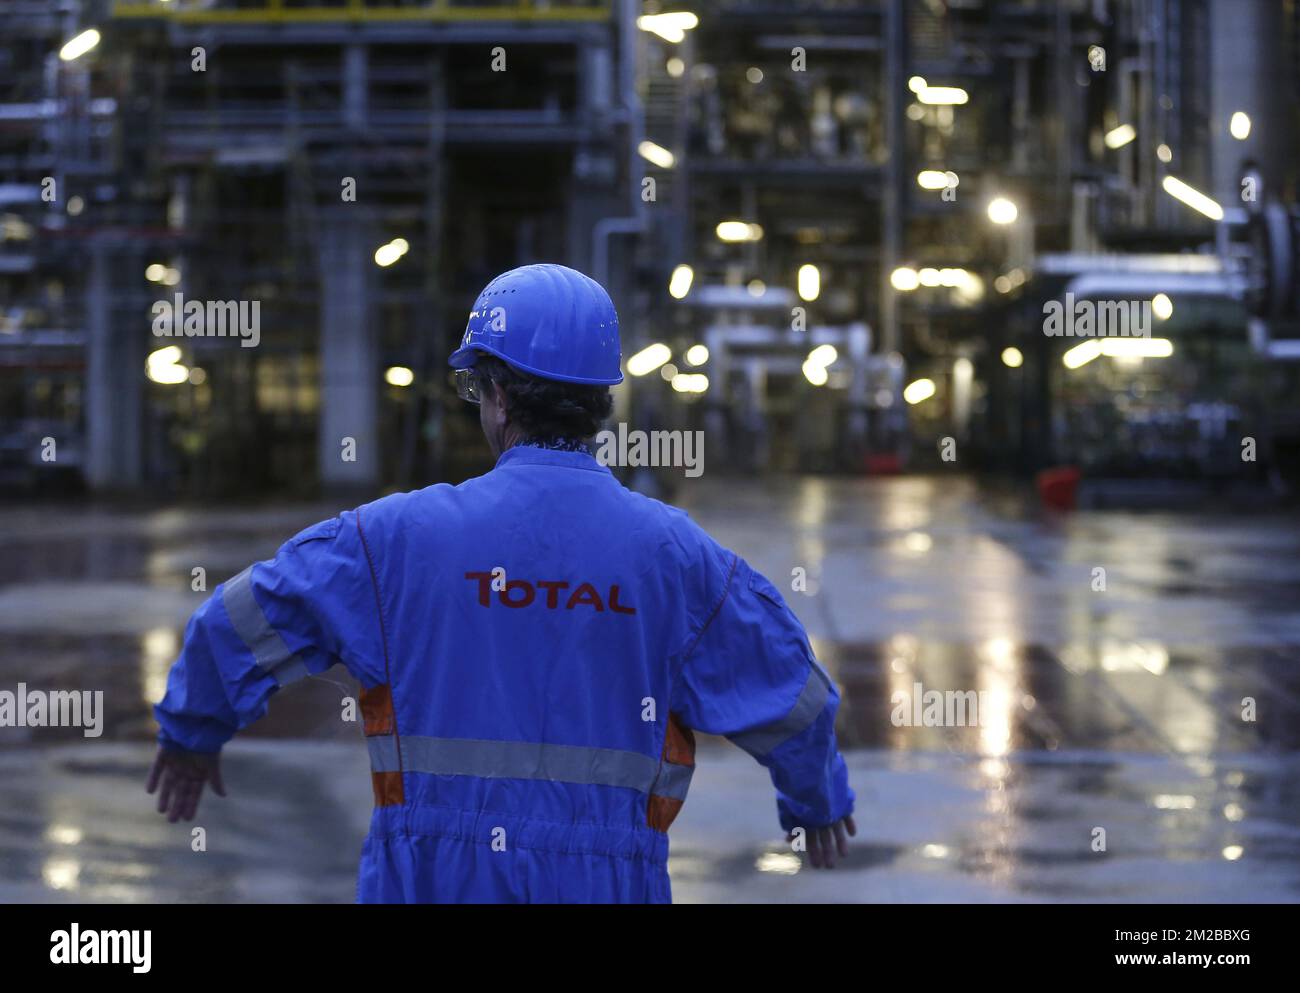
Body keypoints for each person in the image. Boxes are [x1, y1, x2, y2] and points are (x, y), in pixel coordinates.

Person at [146, 263, 855, 903]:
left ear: (498, 397)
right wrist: (816, 799)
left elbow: (236, 620)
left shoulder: (391, 540)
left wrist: (193, 728)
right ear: (600, 402)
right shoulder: (675, 556)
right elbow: (794, 695)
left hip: (429, 879)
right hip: (607, 882)